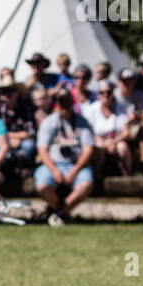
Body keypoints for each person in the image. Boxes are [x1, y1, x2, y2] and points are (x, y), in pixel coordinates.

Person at [34, 86, 95, 225]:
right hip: (53, 164)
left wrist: (74, 171)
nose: (64, 107)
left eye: (67, 103)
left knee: (86, 185)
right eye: (61, 103)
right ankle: (61, 212)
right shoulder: (49, 122)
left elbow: (88, 150)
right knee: (42, 185)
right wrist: (55, 170)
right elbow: (42, 150)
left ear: (72, 103)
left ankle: (61, 212)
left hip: (76, 165)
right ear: (57, 103)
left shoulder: (82, 122)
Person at [0, 70, 36, 173]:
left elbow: (30, 133)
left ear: (16, 91)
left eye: (11, 90)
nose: (8, 94)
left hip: (20, 142)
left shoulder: (26, 106)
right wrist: (8, 139)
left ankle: (25, 173)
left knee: (29, 145)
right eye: (5, 91)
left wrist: (10, 137)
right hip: (1, 141)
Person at [86, 80, 134, 176]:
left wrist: (113, 142)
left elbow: (126, 132)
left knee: (122, 147)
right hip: (99, 142)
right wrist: (105, 143)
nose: (106, 95)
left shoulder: (121, 108)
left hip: (117, 141)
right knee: (99, 147)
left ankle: (128, 178)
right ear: (98, 95)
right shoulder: (91, 110)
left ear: (113, 93)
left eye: (109, 92)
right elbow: (89, 133)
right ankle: (97, 179)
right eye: (102, 92)